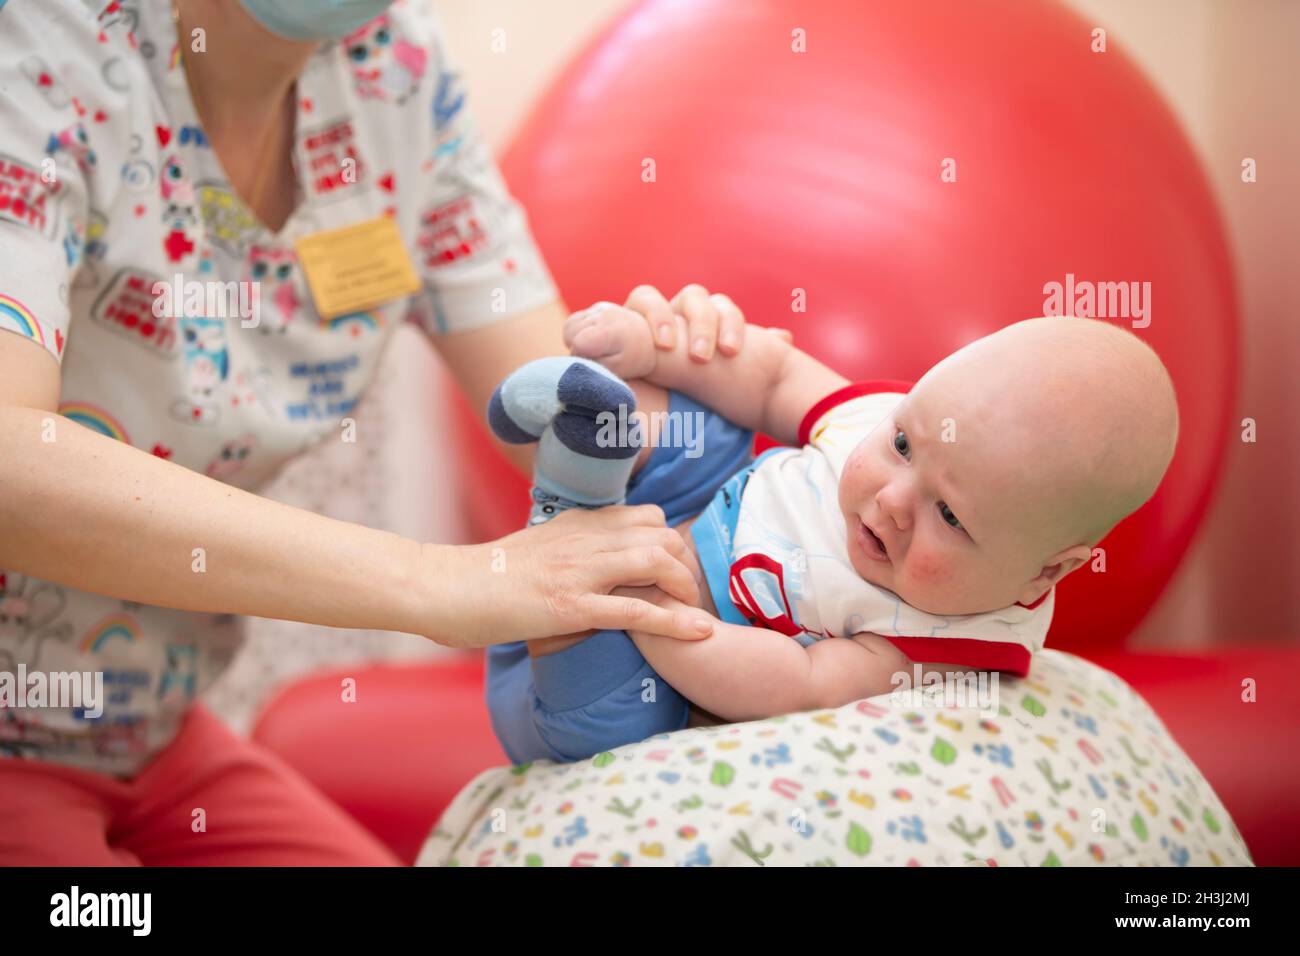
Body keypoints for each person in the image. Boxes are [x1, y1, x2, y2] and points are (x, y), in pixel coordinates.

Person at [0, 0, 756, 865]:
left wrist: (749, 399)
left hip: (149, 741)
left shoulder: (393, 72)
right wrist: (443, 584)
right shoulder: (36, 47)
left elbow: (573, 412)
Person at [484, 311, 1179, 763]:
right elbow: (770, 377)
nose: (893, 499)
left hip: (604, 674)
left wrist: (655, 612)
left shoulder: (958, 636)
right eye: (903, 444)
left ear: (1043, 573)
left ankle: (573, 498)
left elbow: (805, 683)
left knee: (630, 726)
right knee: (712, 426)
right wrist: (649, 349)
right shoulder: (902, 419)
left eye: (951, 517)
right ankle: (595, 416)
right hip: (675, 508)